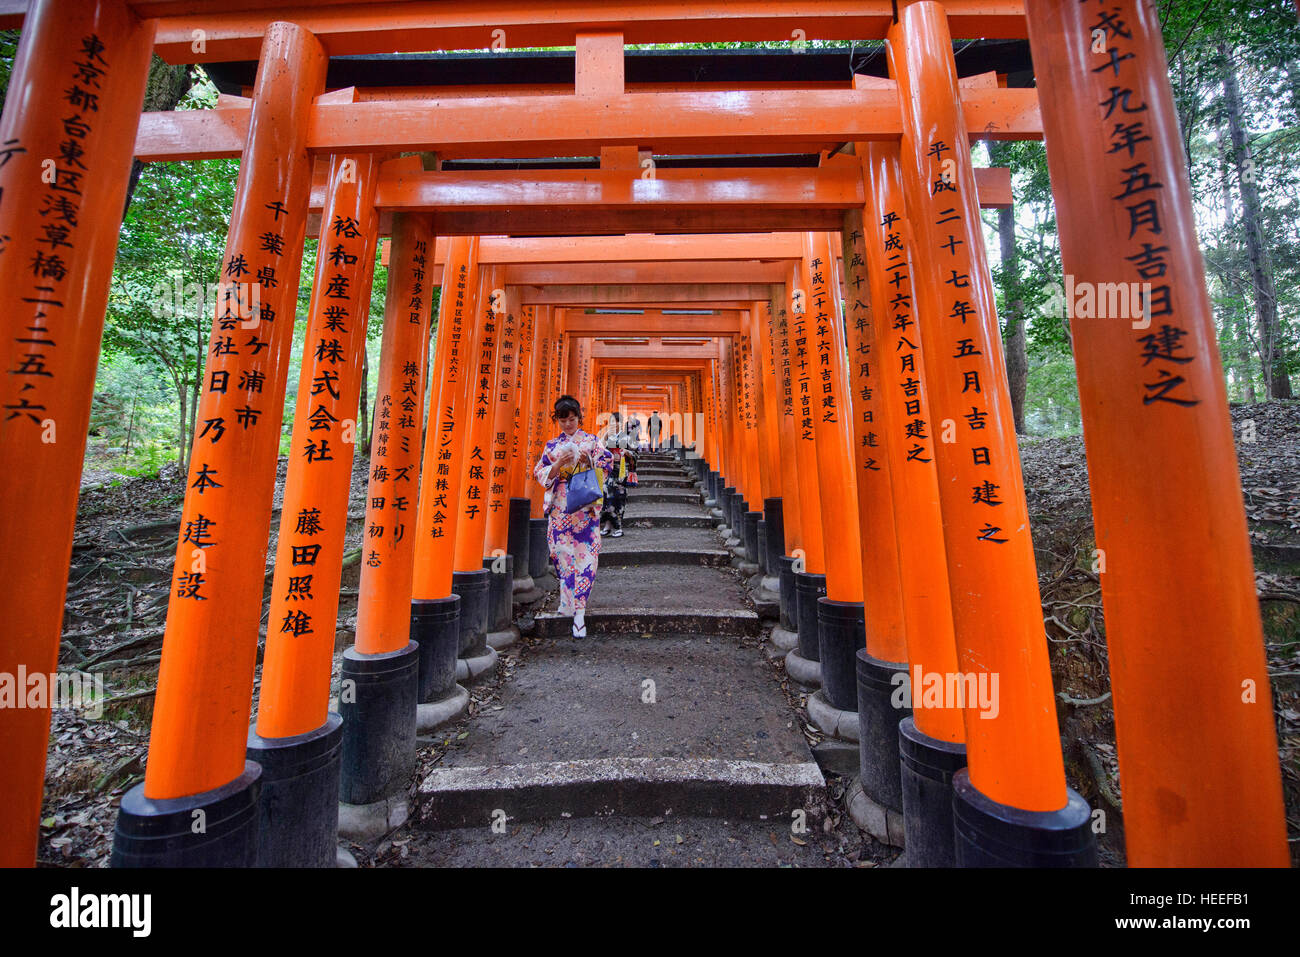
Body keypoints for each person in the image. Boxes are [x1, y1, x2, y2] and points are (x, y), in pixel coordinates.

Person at [533, 395, 614, 639]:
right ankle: (567, 603)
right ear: (557, 420)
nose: (568, 424)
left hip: (585, 509)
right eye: (563, 419)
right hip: (559, 508)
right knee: (561, 556)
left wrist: (587, 460)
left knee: (586, 558)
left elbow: (607, 462)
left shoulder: (591, 441)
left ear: (579, 417)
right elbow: (540, 473)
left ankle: (579, 611)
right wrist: (557, 465)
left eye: (572, 418)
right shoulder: (551, 446)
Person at [600, 447, 638, 538]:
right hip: (610, 471)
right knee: (607, 499)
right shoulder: (609, 436)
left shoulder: (628, 438)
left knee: (618, 501)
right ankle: (607, 526)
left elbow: (635, 455)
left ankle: (618, 528)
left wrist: (627, 452)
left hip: (621, 473)